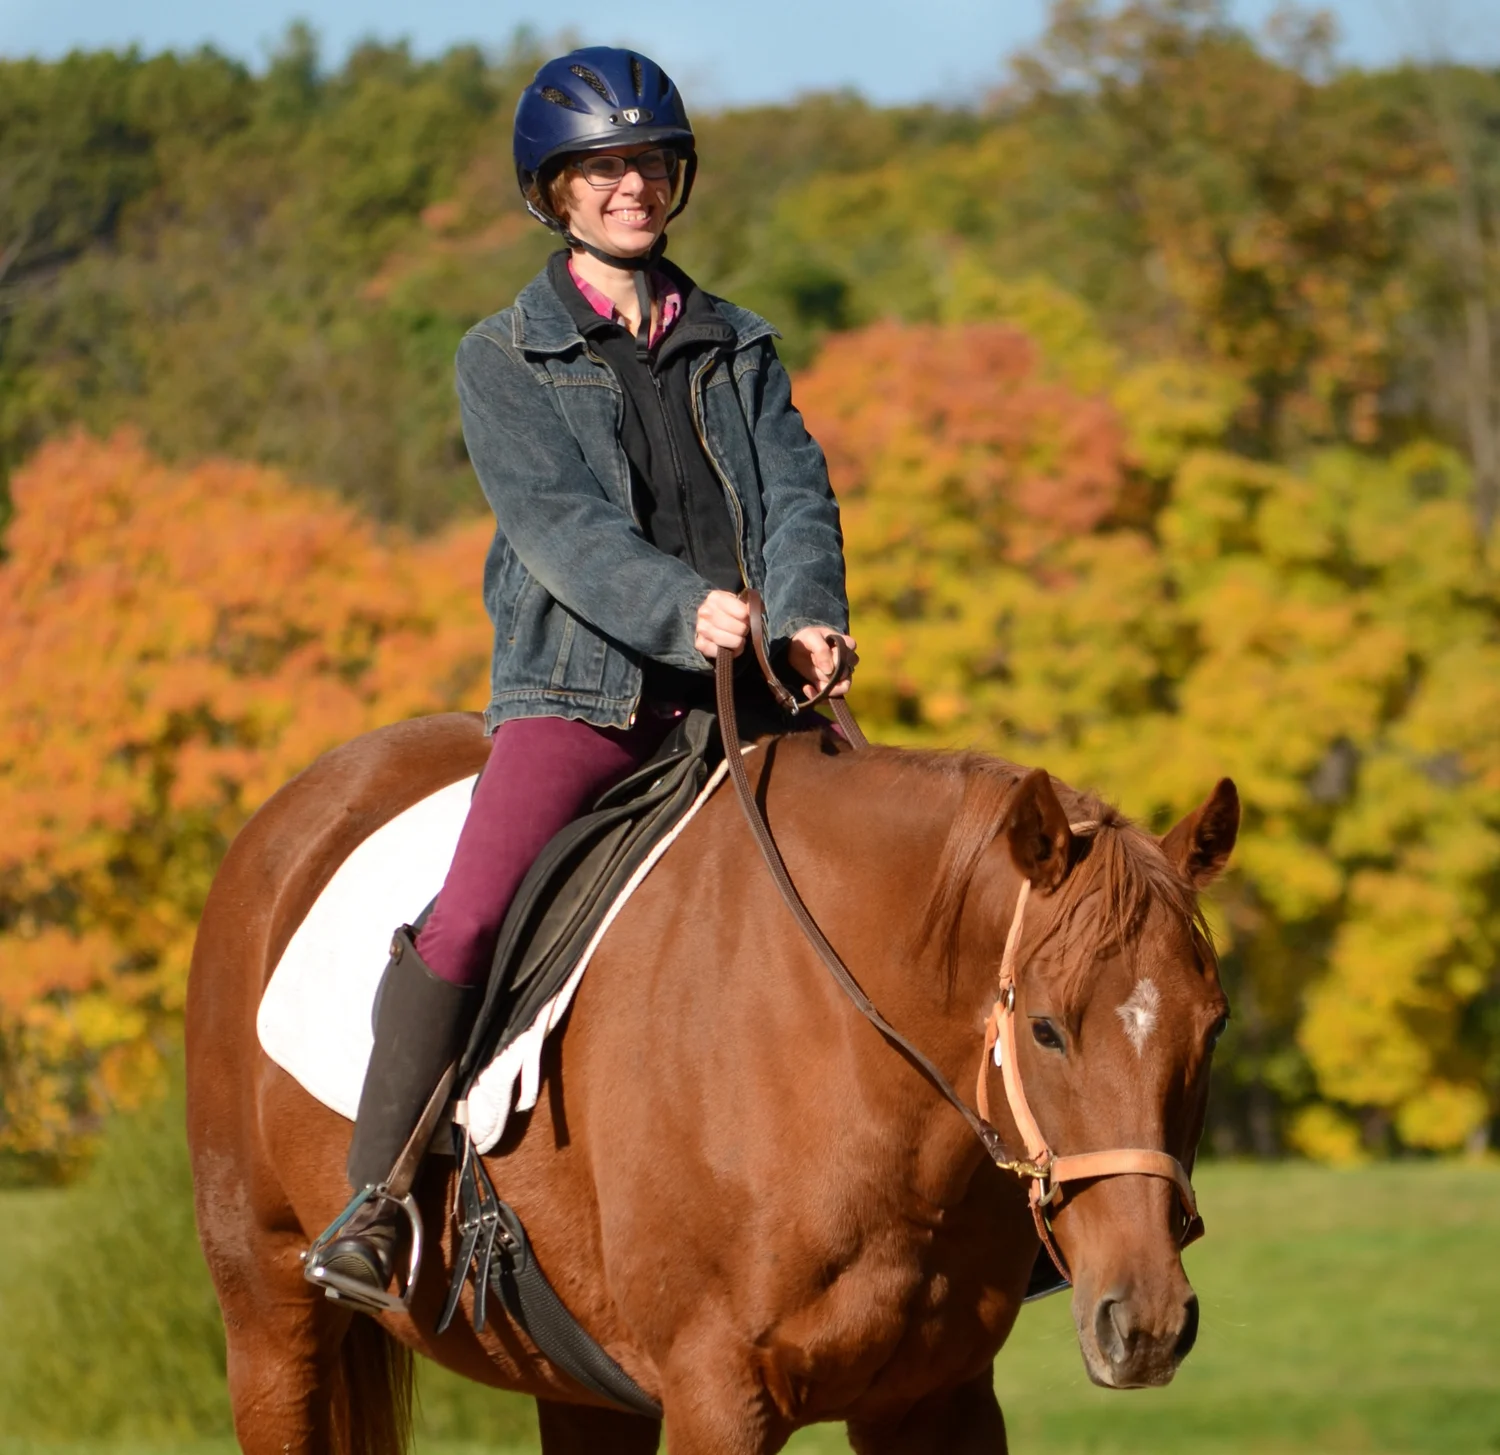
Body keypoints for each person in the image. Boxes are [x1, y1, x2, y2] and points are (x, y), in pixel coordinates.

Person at [309, 45, 855, 1301]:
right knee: (471, 913)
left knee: (902, 882)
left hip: (756, 693)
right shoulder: (501, 357)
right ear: (555, 191)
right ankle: (377, 1200)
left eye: (650, 163)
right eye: (602, 168)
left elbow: (798, 498)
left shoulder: (740, 342)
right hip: (587, 696)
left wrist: (811, 618)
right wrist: (681, 608)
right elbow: (559, 529)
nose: (631, 187)